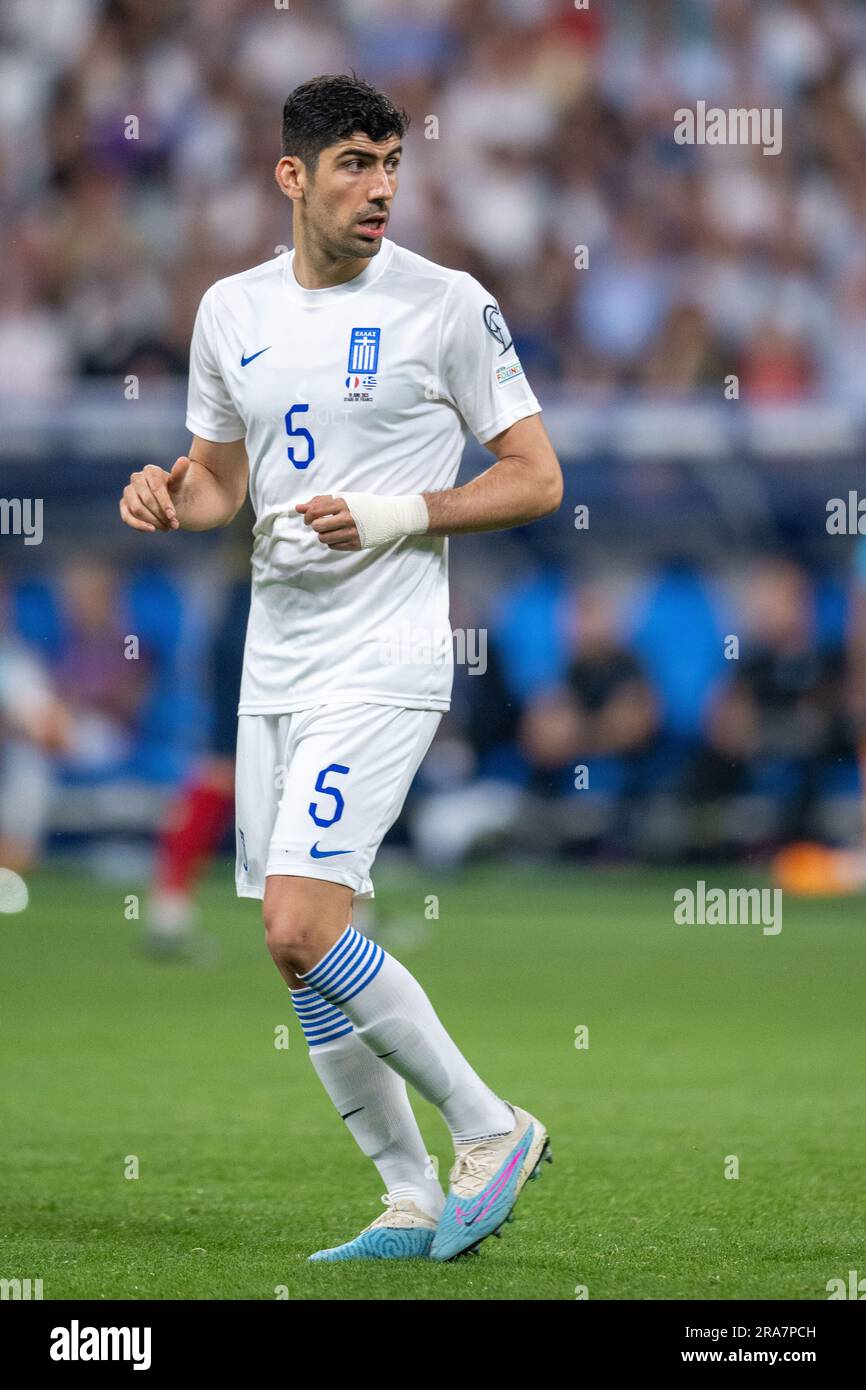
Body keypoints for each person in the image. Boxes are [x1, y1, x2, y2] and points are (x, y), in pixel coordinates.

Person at [119, 74, 562, 1263]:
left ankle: (489, 1127)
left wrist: (399, 512)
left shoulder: (446, 306)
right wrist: (172, 493)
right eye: (355, 165)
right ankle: (408, 1198)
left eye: (390, 164)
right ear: (292, 177)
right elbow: (223, 479)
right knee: (297, 947)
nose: (379, 188)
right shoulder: (231, 310)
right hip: (277, 664)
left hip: (385, 654)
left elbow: (535, 475)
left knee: (301, 923)